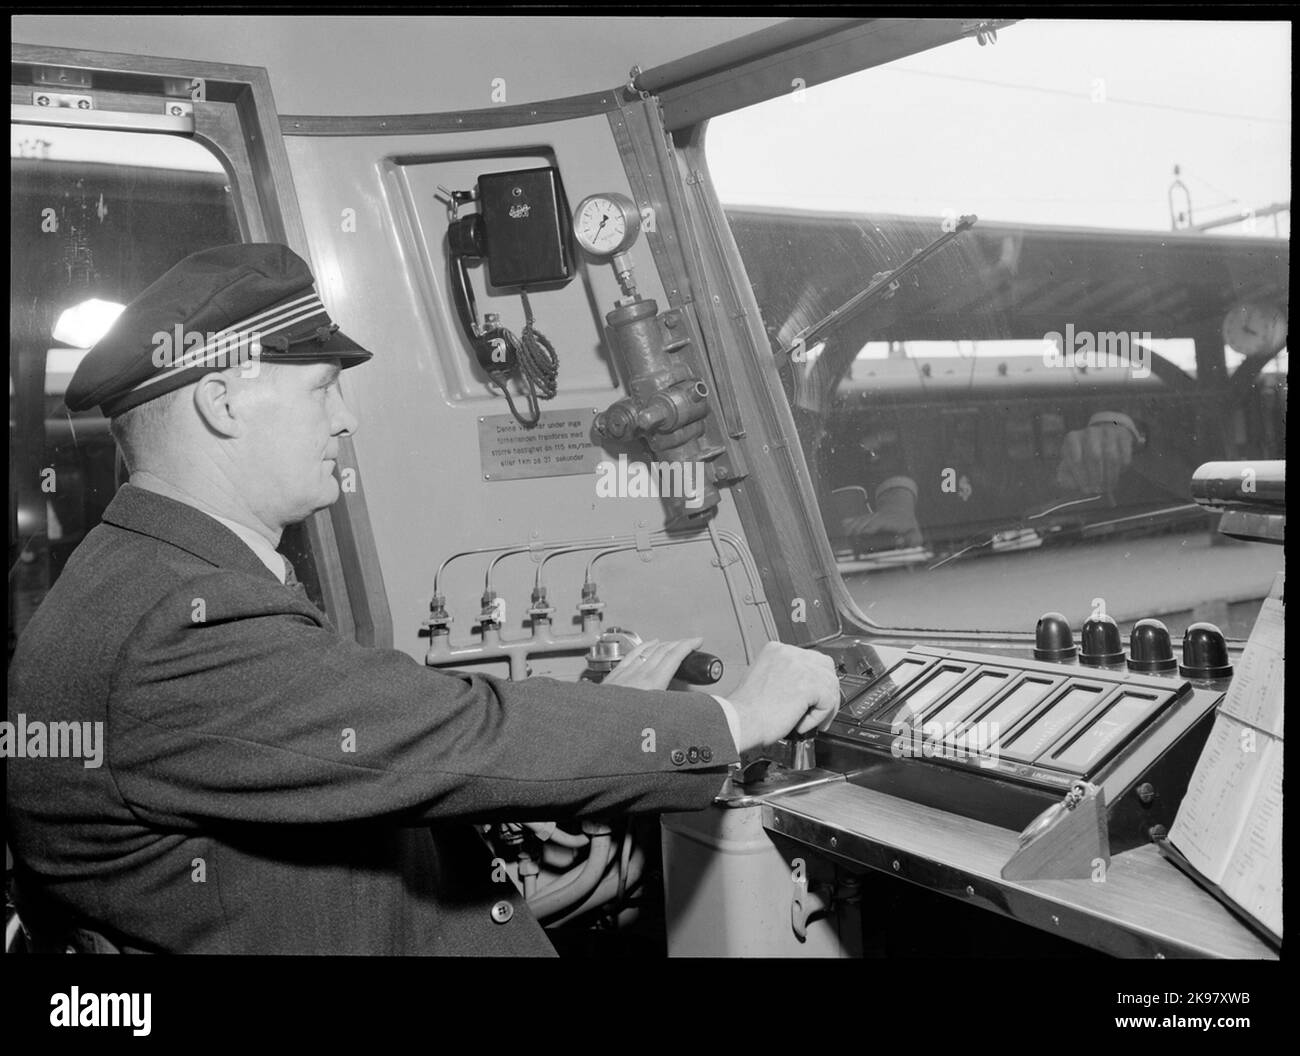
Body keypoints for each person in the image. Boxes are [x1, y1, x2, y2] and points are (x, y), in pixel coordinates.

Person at [6, 243, 839, 955]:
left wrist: (583, 752)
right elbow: (452, 734)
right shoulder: (178, 623)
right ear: (223, 403)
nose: (346, 421)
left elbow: (373, 739)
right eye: (322, 389)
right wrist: (735, 718)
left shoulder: (147, 576)